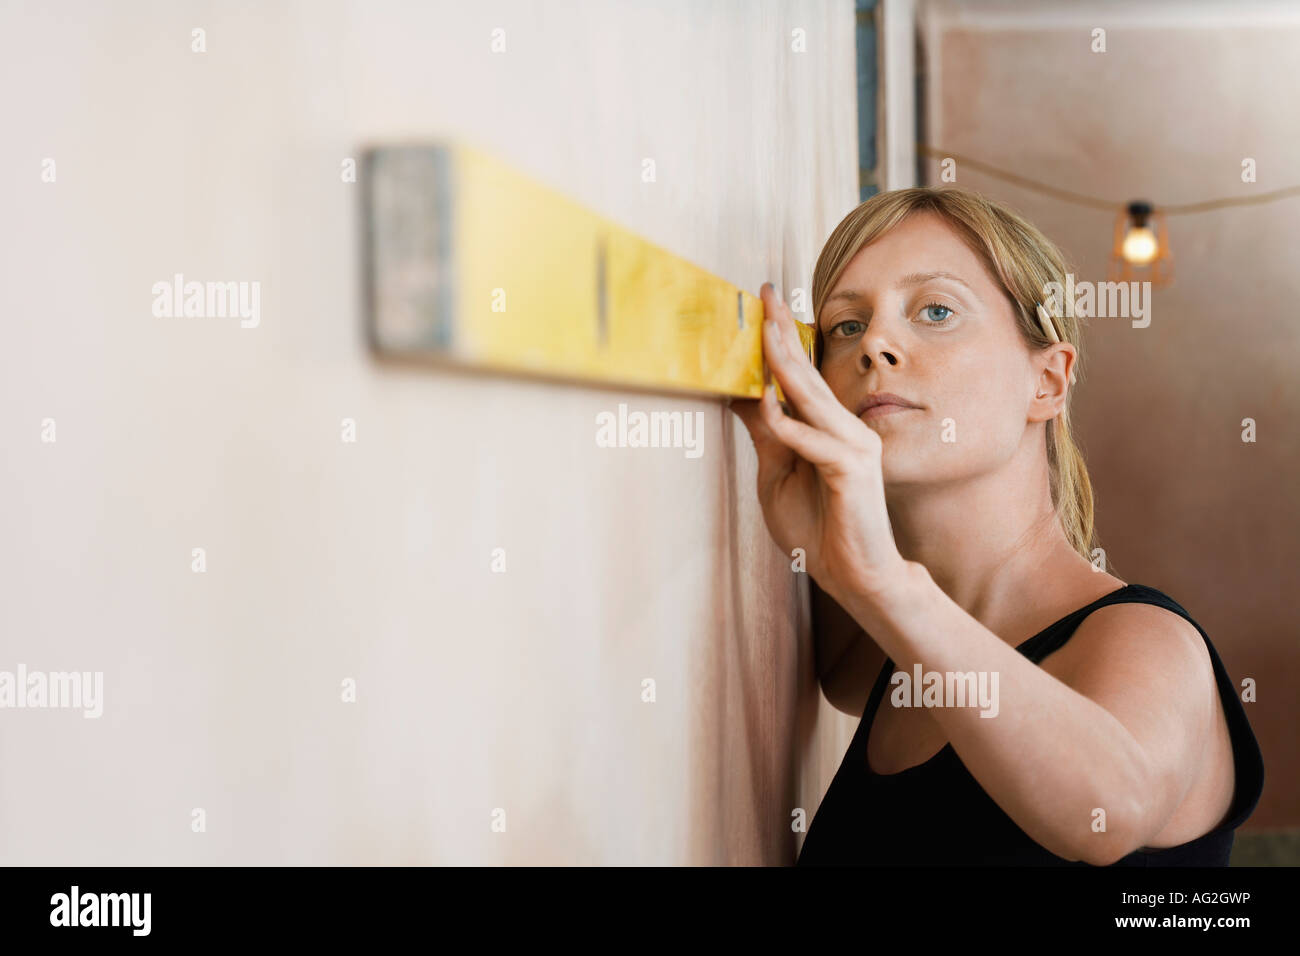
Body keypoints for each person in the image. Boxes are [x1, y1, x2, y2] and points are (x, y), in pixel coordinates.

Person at [729, 187, 1264, 865]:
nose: (878, 345)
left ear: (1047, 382)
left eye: (937, 310)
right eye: (846, 326)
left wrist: (886, 584)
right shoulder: (874, 661)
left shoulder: (1149, 641)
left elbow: (1109, 813)